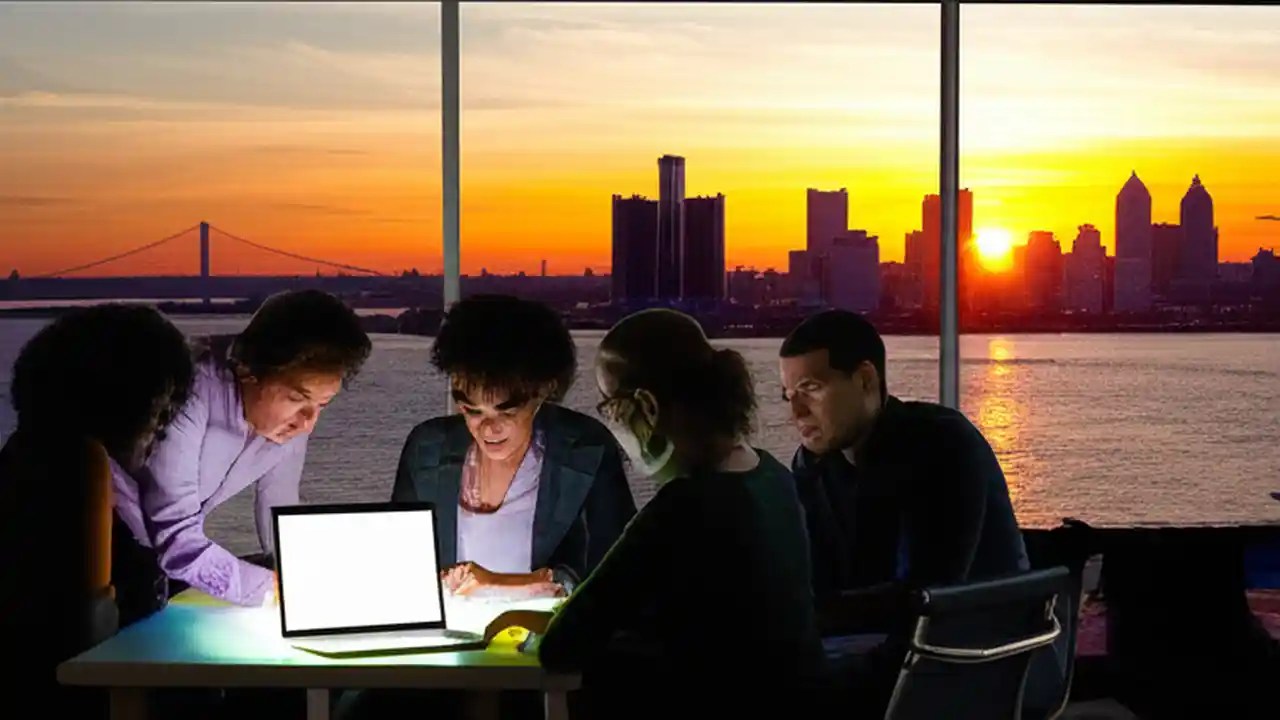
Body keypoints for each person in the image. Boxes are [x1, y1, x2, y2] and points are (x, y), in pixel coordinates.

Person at [485, 309, 827, 718]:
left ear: (646, 407)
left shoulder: (681, 507)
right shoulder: (773, 476)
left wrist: (541, 620)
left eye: (611, 408)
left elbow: (564, 645)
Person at [778, 309, 1030, 712]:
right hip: (882, 646)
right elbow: (819, 578)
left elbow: (929, 593)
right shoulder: (814, 466)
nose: (797, 413)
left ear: (865, 380)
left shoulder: (942, 445)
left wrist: (807, 615)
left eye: (811, 389)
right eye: (789, 396)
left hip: (975, 654)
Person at [110, 289, 371, 614]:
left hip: (160, 558)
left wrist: (312, 580)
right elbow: (177, 542)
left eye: (322, 405)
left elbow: (279, 509)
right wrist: (272, 591)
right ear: (249, 370)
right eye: (296, 400)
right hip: (99, 539)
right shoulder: (186, 389)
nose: (307, 424)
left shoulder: (292, 423)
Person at [0, 304, 195, 714]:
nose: (165, 428)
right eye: (165, 409)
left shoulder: (25, 456)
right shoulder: (80, 466)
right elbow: (86, 640)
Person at [393, 294, 635, 598]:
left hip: (548, 638)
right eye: (472, 411)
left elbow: (620, 569)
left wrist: (501, 583)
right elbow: (400, 562)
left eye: (507, 412)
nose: (489, 428)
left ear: (544, 390)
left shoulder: (586, 449)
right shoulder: (426, 449)